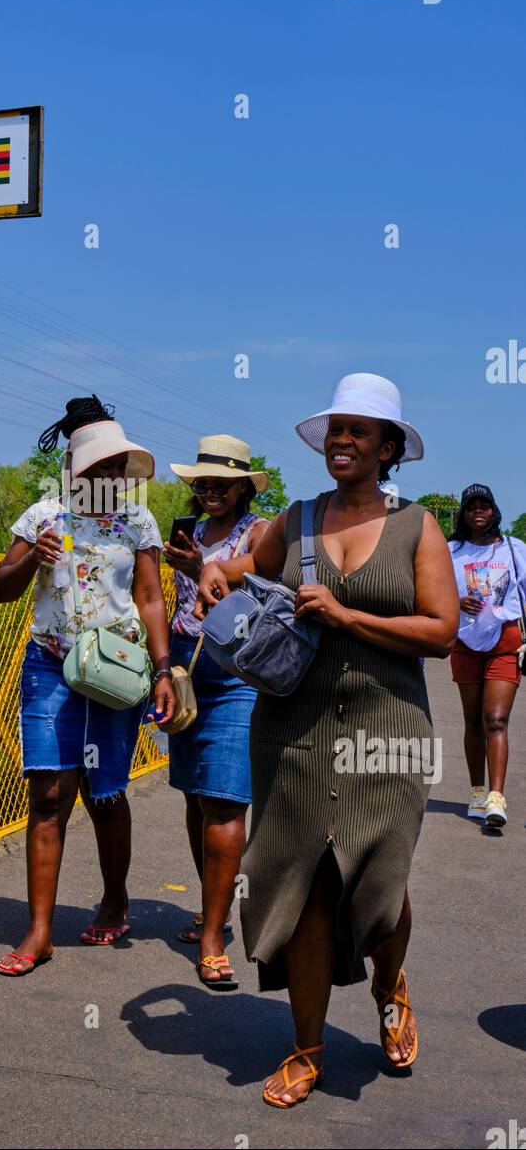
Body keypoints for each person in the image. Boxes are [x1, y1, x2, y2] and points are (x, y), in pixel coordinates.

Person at [195, 373, 459, 1106]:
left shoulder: (417, 525)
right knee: (308, 888)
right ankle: (306, 1048)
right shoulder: (299, 517)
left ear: (388, 448)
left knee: (378, 885)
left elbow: (441, 631)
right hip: (293, 730)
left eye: (359, 431)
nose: (343, 441)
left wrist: (347, 619)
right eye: (336, 429)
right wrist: (219, 573)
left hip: (389, 733)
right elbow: (243, 569)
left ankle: (389, 980)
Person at [0, 395, 175, 975]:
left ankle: (115, 899)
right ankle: (40, 931)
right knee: (48, 795)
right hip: (51, 665)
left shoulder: (138, 521)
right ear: (74, 468)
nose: (110, 475)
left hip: (116, 671)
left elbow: (149, 598)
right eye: (98, 466)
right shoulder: (43, 517)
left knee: (106, 795)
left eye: (117, 467)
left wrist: (165, 668)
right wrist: (31, 561)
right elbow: (2, 587)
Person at [163, 436, 270, 989]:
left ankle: (213, 934)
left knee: (226, 800)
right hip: (187, 666)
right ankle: (210, 908)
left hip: (236, 673)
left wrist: (201, 565)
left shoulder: (259, 533)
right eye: (201, 483)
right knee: (193, 792)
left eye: (220, 484)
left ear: (243, 488)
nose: (208, 492)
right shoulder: (190, 528)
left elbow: (265, 594)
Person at [448, 484, 526, 827]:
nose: (478, 511)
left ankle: (497, 797)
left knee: (495, 718)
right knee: (471, 720)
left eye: (484, 506)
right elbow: (430, 590)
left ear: (494, 511)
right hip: (464, 641)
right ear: (463, 514)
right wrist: (454, 603)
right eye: (471, 507)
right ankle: (477, 791)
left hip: (504, 639)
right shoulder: (450, 550)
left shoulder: (513, 548)